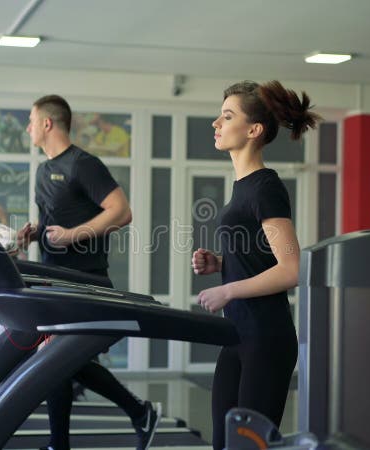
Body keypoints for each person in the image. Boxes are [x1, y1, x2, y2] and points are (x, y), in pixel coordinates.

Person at [16, 95, 160, 450]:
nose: (28, 127)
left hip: (85, 279)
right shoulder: (41, 171)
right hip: (53, 277)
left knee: (60, 359)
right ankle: (63, 443)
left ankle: (138, 410)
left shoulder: (84, 164)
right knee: (57, 363)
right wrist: (34, 232)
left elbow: (121, 211)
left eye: (32, 120)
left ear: (48, 123)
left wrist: (72, 235)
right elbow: (56, 222)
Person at [191, 80, 320, 449]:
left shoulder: (265, 187)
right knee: (224, 441)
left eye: (227, 116)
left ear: (253, 130)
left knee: (247, 445)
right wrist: (220, 263)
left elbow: (292, 268)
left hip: (265, 336)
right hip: (238, 333)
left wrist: (228, 289)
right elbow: (260, 258)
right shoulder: (243, 187)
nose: (216, 123)